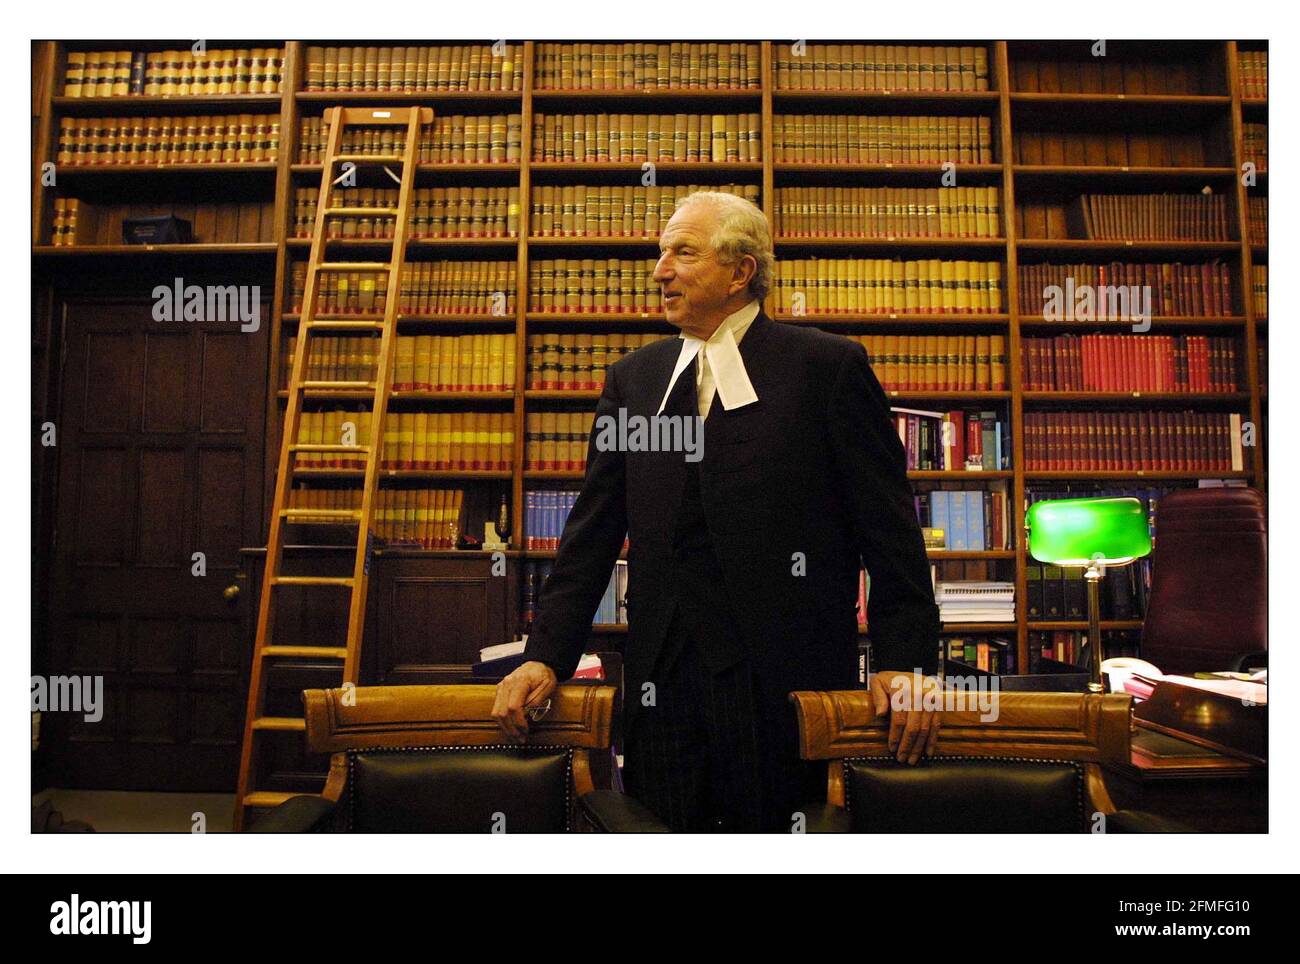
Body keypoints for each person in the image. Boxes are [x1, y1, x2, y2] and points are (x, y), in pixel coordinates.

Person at [492, 191, 942, 831]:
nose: (660, 271)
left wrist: (906, 664)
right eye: (660, 254)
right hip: (663, 691)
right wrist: (546, 655)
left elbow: (890, 532)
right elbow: (591, 535)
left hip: (787, 689)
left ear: (740, 272)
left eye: (683, 252)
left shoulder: (825, 367)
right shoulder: (635, 381)